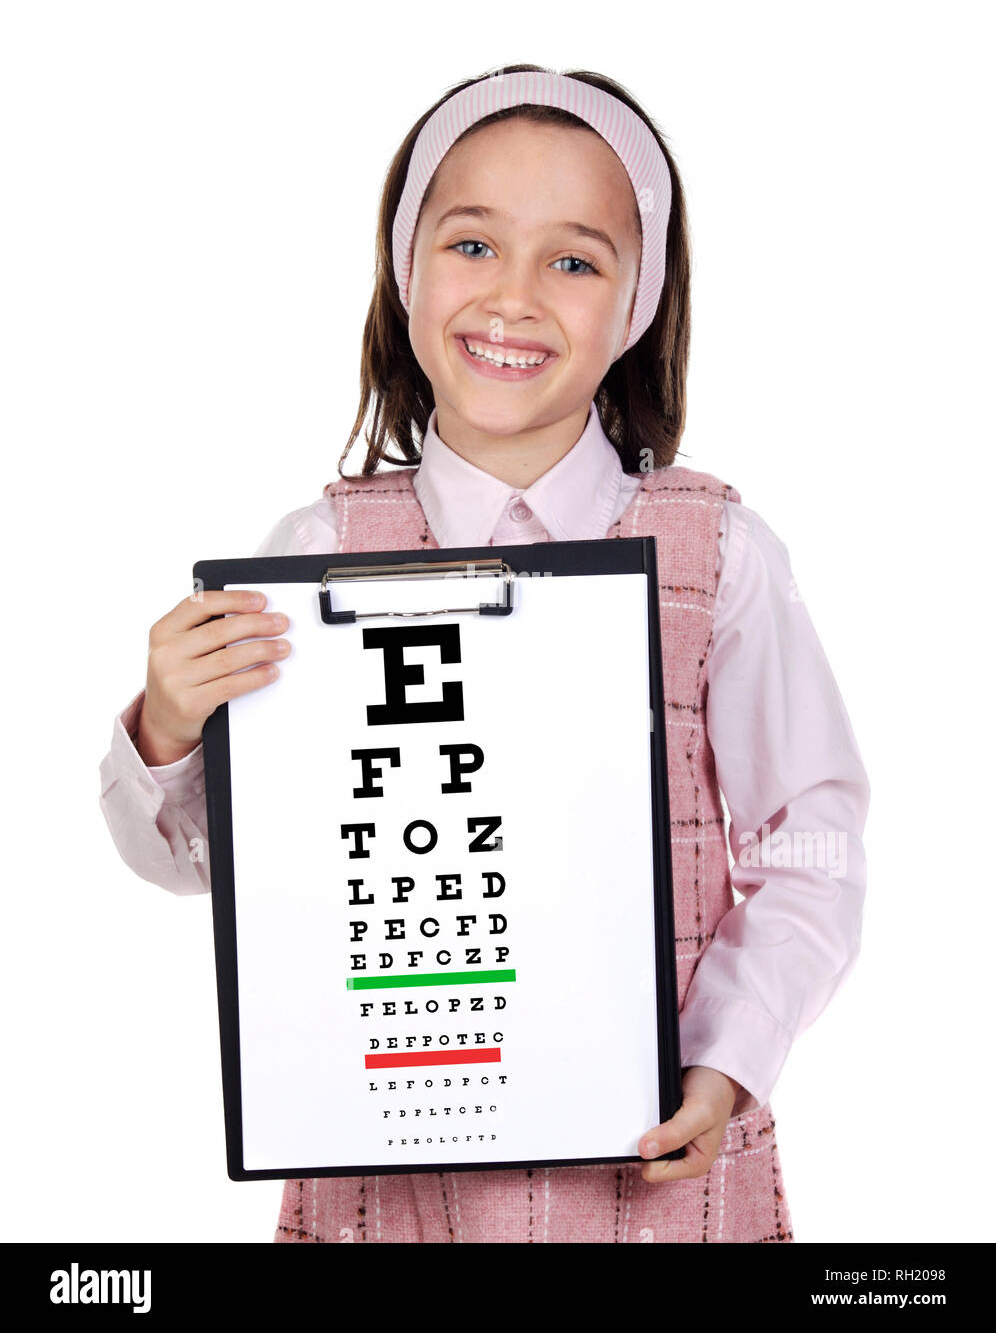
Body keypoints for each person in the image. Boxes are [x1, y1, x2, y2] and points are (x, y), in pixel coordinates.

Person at [99, 63, 870, 1243]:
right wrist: (164, 727)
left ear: (638, 304)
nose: (513, 297)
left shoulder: (720, 558)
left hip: (660, 1175)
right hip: (393, 1187)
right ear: (405, 268)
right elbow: (221, 869)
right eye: (471, 245)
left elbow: (808, 846)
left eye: (574, 260)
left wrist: (725, 1062)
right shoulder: (314, 557)